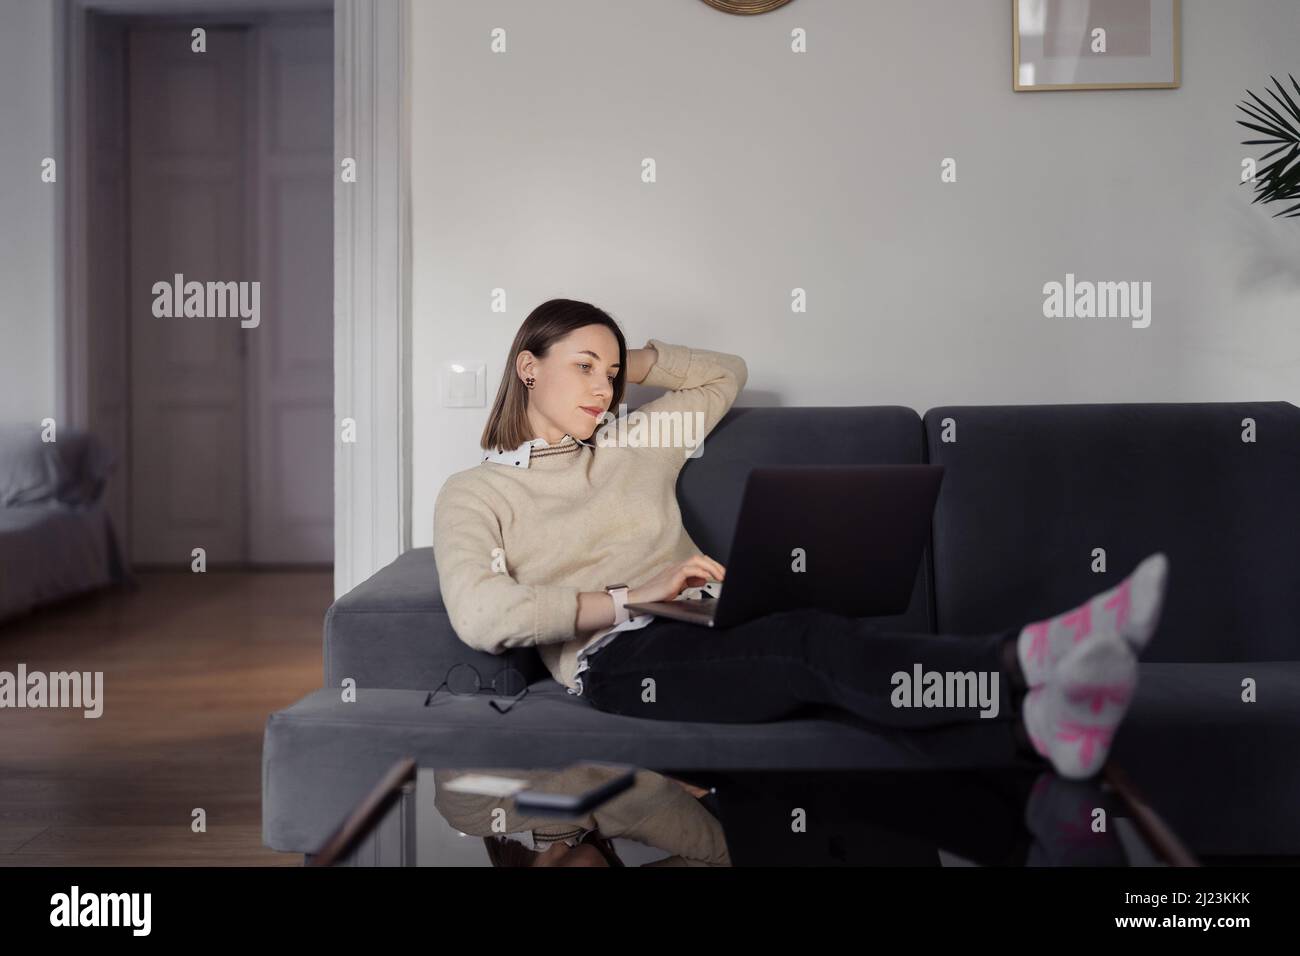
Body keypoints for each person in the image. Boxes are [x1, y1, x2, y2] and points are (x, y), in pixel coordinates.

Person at [432, 299, 1170, 781]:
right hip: (622, 659)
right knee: (808, 647)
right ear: (528, 367)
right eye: (583, 366)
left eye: (612, 372)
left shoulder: (635, 443)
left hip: (716, 617)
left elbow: (725, 375)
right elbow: (484, 616)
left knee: (824, 665)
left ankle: (1035, 733)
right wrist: (632, 595)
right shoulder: (476, 492)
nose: (603, 387)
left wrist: (635, 359)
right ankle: (1034, 654)